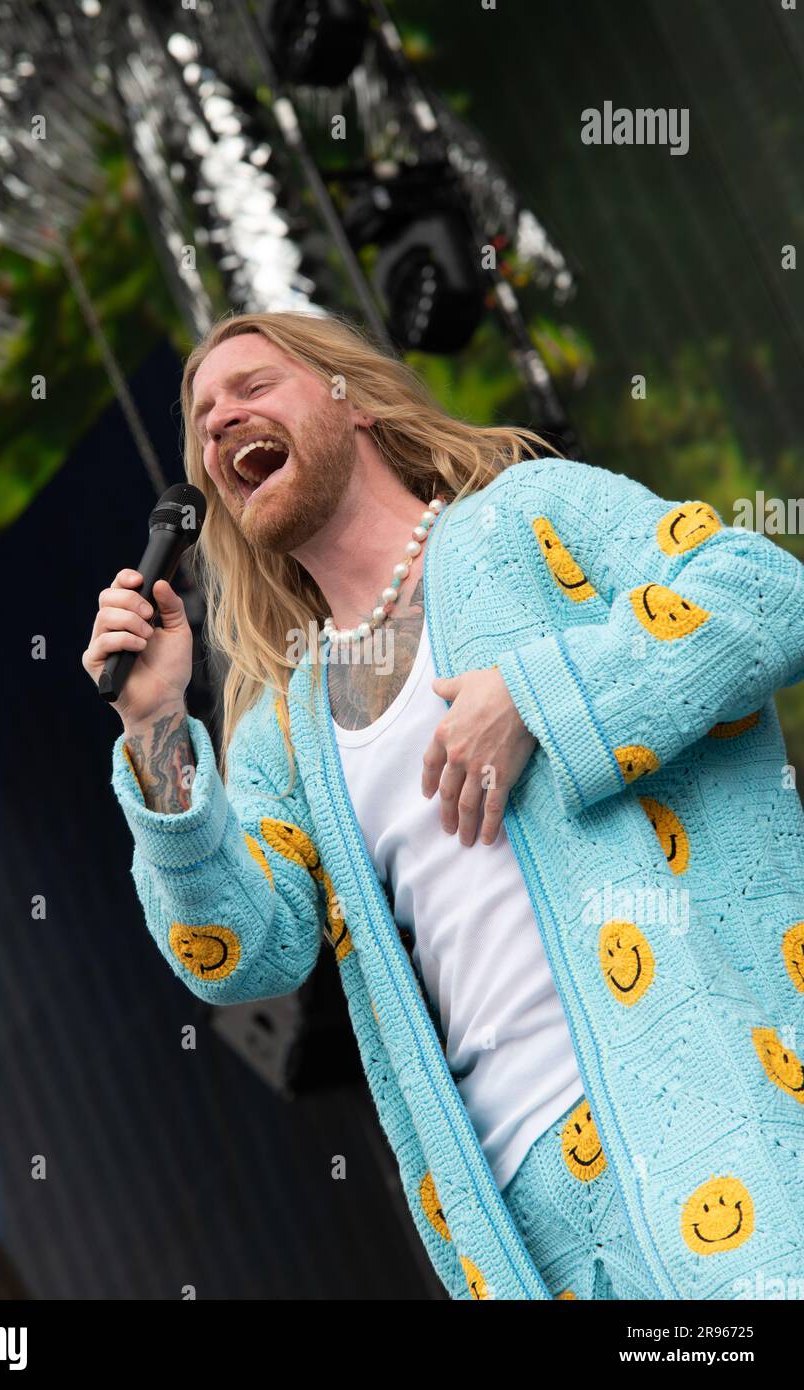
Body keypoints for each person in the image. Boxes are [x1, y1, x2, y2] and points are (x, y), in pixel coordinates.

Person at [83, 309, 804, 1301]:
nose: (216, 425)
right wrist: (155, 723)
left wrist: (538, 699)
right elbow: (243, 950)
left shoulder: (529, 517)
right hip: (512, 1224)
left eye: (251, 388)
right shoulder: (281, 738)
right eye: (202, 420)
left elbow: (764, 595)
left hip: (705, 1103)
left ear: (357, 402)